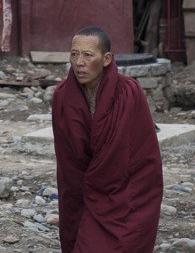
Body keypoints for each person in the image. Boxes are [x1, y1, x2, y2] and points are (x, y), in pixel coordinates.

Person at [51, 26, 164, 252]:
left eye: (88, 55)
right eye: (74, 54)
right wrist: (79, 189)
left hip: (124, 191)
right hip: (80, 191)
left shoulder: (128, 93)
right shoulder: (63, 96)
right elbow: (67, 159)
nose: (79, 62)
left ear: (106, 59)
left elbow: (141, 152)